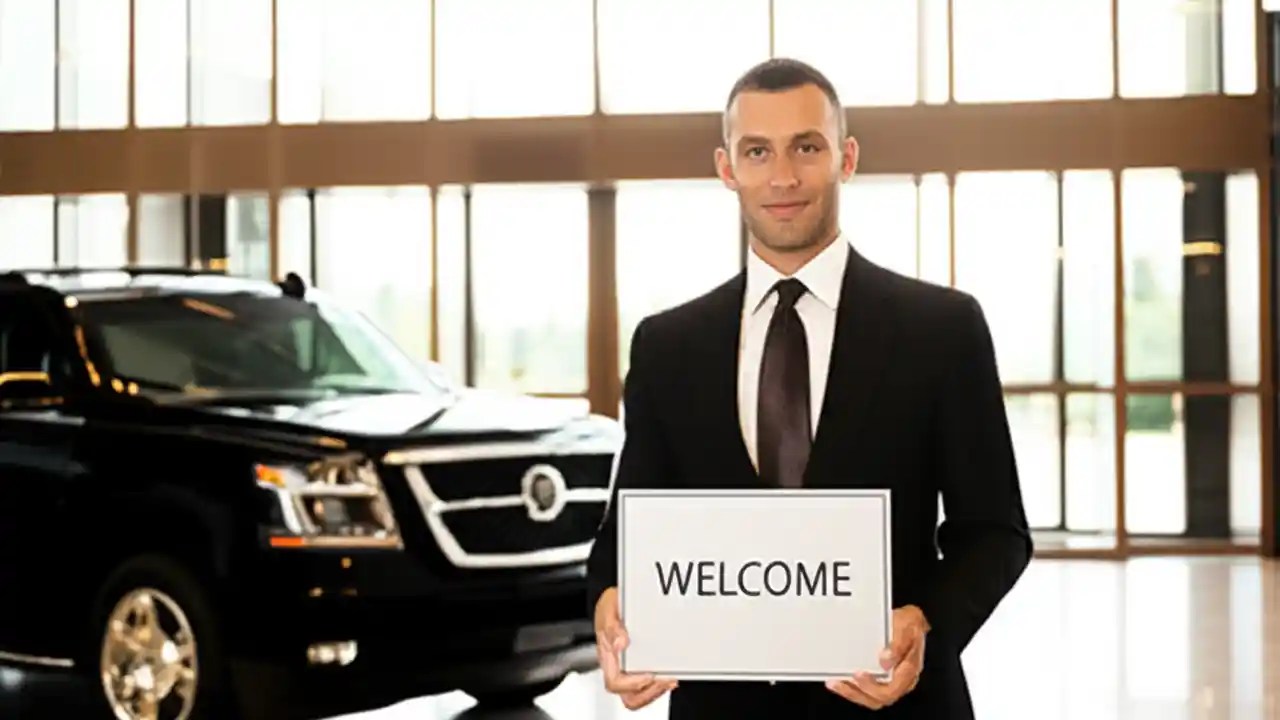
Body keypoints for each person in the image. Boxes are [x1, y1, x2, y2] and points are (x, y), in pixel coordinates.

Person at [585, 57, 1032, 719]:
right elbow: (625, 535)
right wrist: (609, 602)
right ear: (726, 168)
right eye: (758, 152)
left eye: (807, 147)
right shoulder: (667, 345)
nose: (784, 177)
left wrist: (926, 622)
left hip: (895, 705)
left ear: (846, 157)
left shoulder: (942, 330)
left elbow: (997, 533)